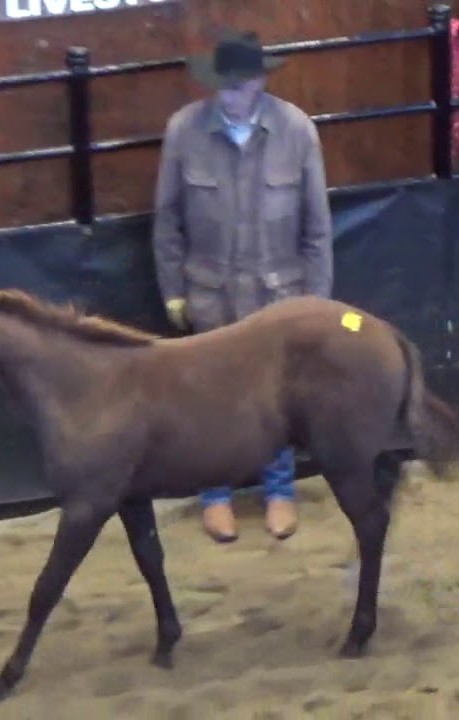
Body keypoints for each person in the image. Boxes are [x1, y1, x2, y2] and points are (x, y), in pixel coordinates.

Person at [150, 29, 334, 544]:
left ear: (257, 82)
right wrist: (174, 292)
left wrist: (317, 305)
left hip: (280, 295)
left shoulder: (297, 131)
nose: (228, 95)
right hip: (210, 292)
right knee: (211, 399)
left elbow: (317, 228)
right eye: (222, 86)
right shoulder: (184, 130)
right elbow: (167, 221)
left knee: (276, 400)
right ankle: (216, 495)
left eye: (237, 85)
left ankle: (280, 492)